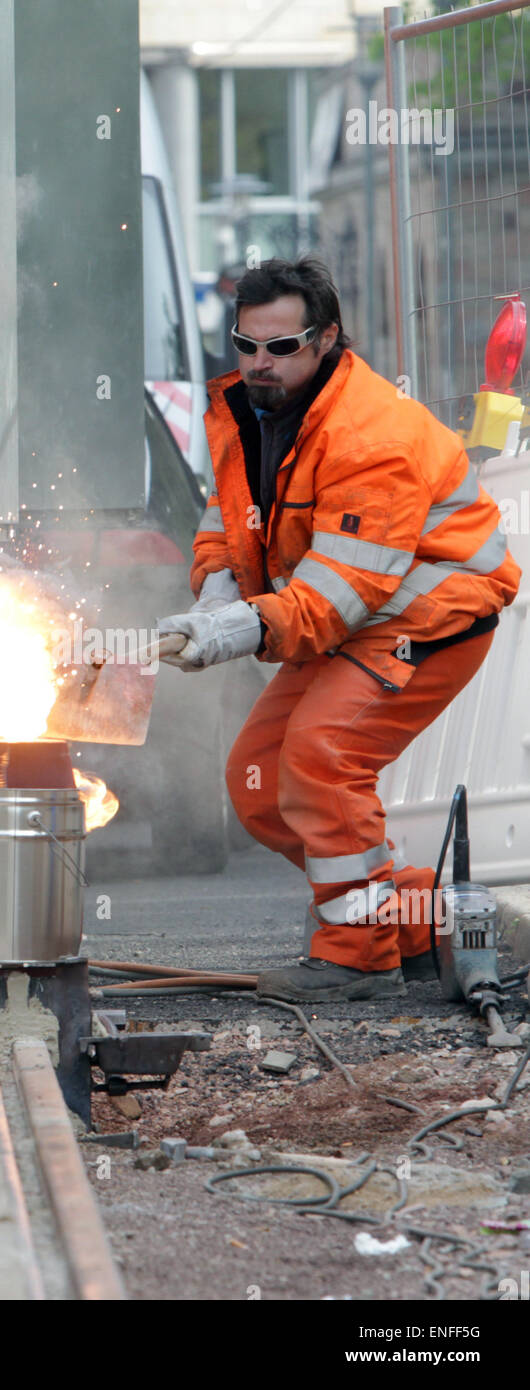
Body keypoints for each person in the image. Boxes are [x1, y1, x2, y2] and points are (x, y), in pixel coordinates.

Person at [157, 255, 521, 1003]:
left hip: (426, 616)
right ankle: (430, 921)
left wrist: (236, 628)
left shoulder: (369, 435)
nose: (261, 363)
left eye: (281, 347)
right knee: (256, 783)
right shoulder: (249, 410)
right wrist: (217, 579)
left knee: (321, 758)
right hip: (348, 620)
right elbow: (230, 513)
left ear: (325, 341)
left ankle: (358, 959)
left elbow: (338, 595)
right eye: (247, 344)